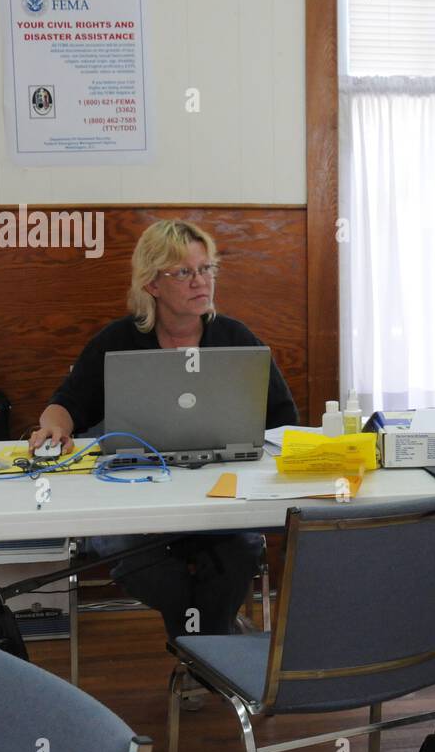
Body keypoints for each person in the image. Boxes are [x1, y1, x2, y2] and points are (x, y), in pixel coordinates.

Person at [31, 219, 299, 650]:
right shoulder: (118, 341)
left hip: (220, 494)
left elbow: (285, 419)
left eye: (207, 268)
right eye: (184, 272)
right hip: (136, 495)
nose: (201, 281)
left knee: (241, 550)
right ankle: (208, 643)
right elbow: (66, 405)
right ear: (152, 284)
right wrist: (53, 427)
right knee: (122, 550)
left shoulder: (234, 338)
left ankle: (196, 650)